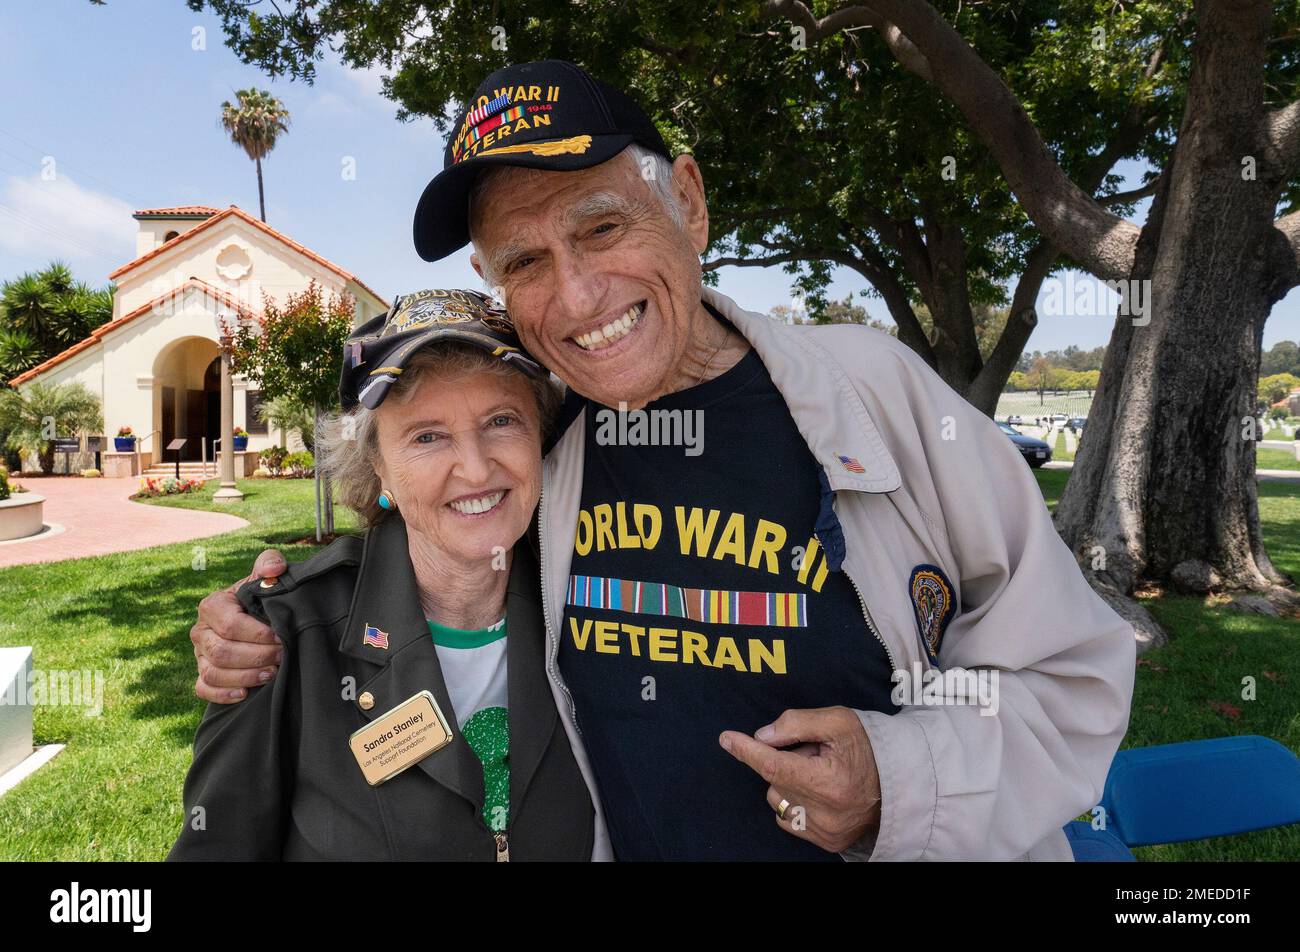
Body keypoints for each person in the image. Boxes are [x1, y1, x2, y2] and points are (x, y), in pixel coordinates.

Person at [190, 60, 1135, 861]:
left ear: (685, 200)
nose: (578, 292)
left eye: (602, 227)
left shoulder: (868, 395)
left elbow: (1075, 676)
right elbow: (440, 545)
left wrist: (902, 781)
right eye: (524, 262)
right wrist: (270, 615)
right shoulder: (550, 445)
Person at [170, 289, 594, 861]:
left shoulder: (591, 604)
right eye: (427, 436)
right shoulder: (282, 637)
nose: (474, 467)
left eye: (501, 421)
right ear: (377, 464)